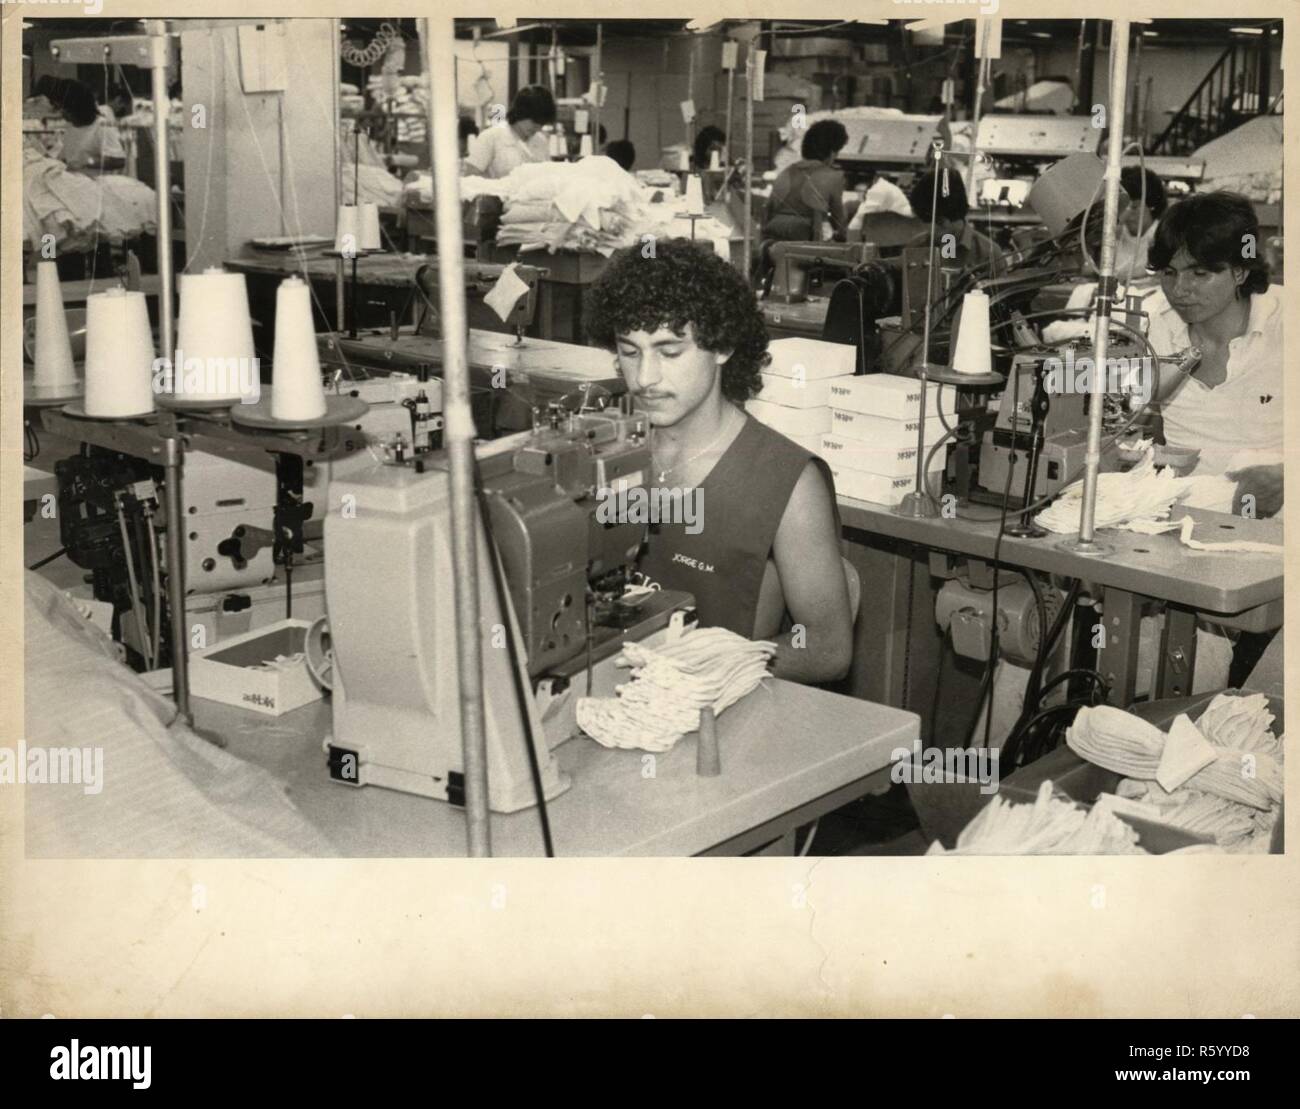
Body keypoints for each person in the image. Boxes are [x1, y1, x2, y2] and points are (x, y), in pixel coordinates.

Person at [585, 238, 853, 683]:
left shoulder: (788, 481)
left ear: (723, 346)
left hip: (716, 710)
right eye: (630, 352)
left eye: (670, 351)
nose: (645, 377)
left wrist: (715, 666)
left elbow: (827, 647)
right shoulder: (604, 445)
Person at [1145, 190, 1282, 516]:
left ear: (1239, 271)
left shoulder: (1286, 322)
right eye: (1169, 273)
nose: (1180, 291)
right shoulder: (1161, 328)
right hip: (1184, 515)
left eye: (1199, 273)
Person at [762, 119, 849, 243]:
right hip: (805, 248)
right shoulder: (834, 177)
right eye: (837, 152)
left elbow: (769, 209)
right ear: (831, 152)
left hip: (772, 244)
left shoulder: (785, 172)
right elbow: (839, 223)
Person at [904, 167, 1003, 273]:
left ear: (942, 222)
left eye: (927, 222)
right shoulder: (915, 247)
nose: (928, 231)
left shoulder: (989, 254)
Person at [462, 84, 554, 178]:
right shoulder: (491, 137)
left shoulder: (541, 141)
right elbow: (470, 177)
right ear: (520, 113)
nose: (538, 128)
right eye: (534, 122)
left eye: (541, 124)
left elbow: (547, 177)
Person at [58, 81, 125, 175]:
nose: (63, 114)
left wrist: (88, 162)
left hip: (95, 183)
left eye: (67, 111)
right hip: (74, 180)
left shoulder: (101, 126)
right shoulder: (70, 126)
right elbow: (66, 157)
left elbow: (118, 161)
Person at [1114, 166, 1166, 278]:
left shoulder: (1164, 236)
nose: (1127, 214)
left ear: (1152, 205)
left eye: (1135, 207)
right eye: (1123, 207)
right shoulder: (1116, 235)